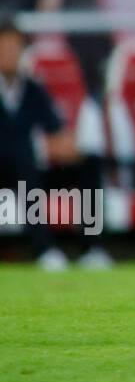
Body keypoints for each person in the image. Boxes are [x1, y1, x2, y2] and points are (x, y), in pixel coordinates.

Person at [0, 21, 108, 270]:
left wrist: (66, 146)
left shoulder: (33, 89)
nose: (9, 54)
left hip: (30, 166)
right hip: (10, 168)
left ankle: (94, 248)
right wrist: (37, 146)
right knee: (24, 160)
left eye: (14, 48)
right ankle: (44, 249)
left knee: (89, 161)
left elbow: (55, 129)